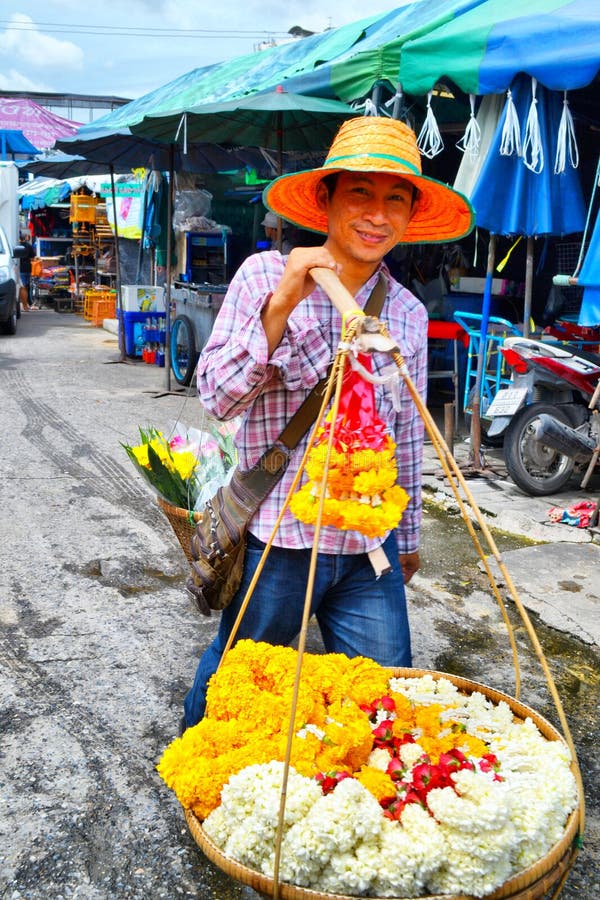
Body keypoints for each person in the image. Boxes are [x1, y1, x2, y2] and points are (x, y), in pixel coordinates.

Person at [183, 116, 474, 728]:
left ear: (410, 215)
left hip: (369, 546)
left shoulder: (408, 313)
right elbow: (218, 397)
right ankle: (197, 774)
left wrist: (410, 536)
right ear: (326, 200)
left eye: (395, 198)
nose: (377, 214)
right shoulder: (264, 275)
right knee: (241, 678)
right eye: (360, 194)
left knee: (382, 696)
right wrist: (283, 302)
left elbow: (407, 441)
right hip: (280, 540)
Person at [18, 232, 38, 310]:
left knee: (23, 287)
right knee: (27, 286)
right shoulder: (29, 246)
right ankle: (28, 304)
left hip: (21, 269)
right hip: (28, 268)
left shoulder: (18, 246)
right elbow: (33, 257)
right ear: (25, 238)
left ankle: (25, 306)